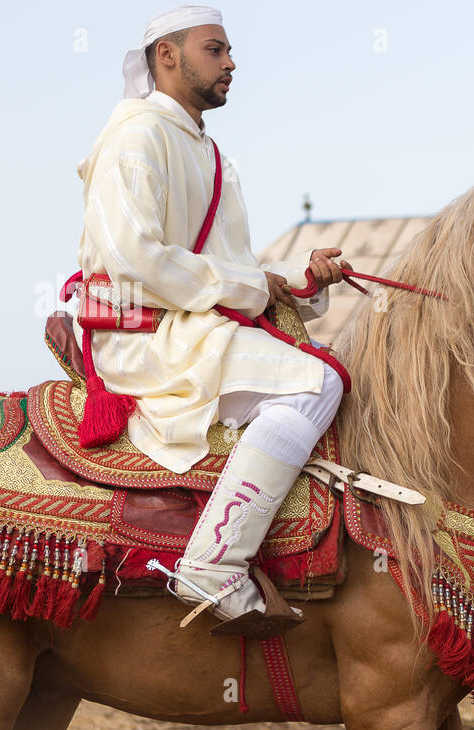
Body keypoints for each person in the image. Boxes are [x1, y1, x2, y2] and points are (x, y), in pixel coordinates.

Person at [76, 5, 350, 626]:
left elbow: (233, 273)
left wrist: (300, 287)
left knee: (326, 369)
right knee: (319, 383)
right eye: (215, 49)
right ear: (166, 55)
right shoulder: (136, 134)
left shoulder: (210, 153)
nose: (231, 63)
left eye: (227, 51)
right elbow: (131, 259)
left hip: (193, 327)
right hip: (142, 337)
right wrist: (247, 287)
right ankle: (212, 566)